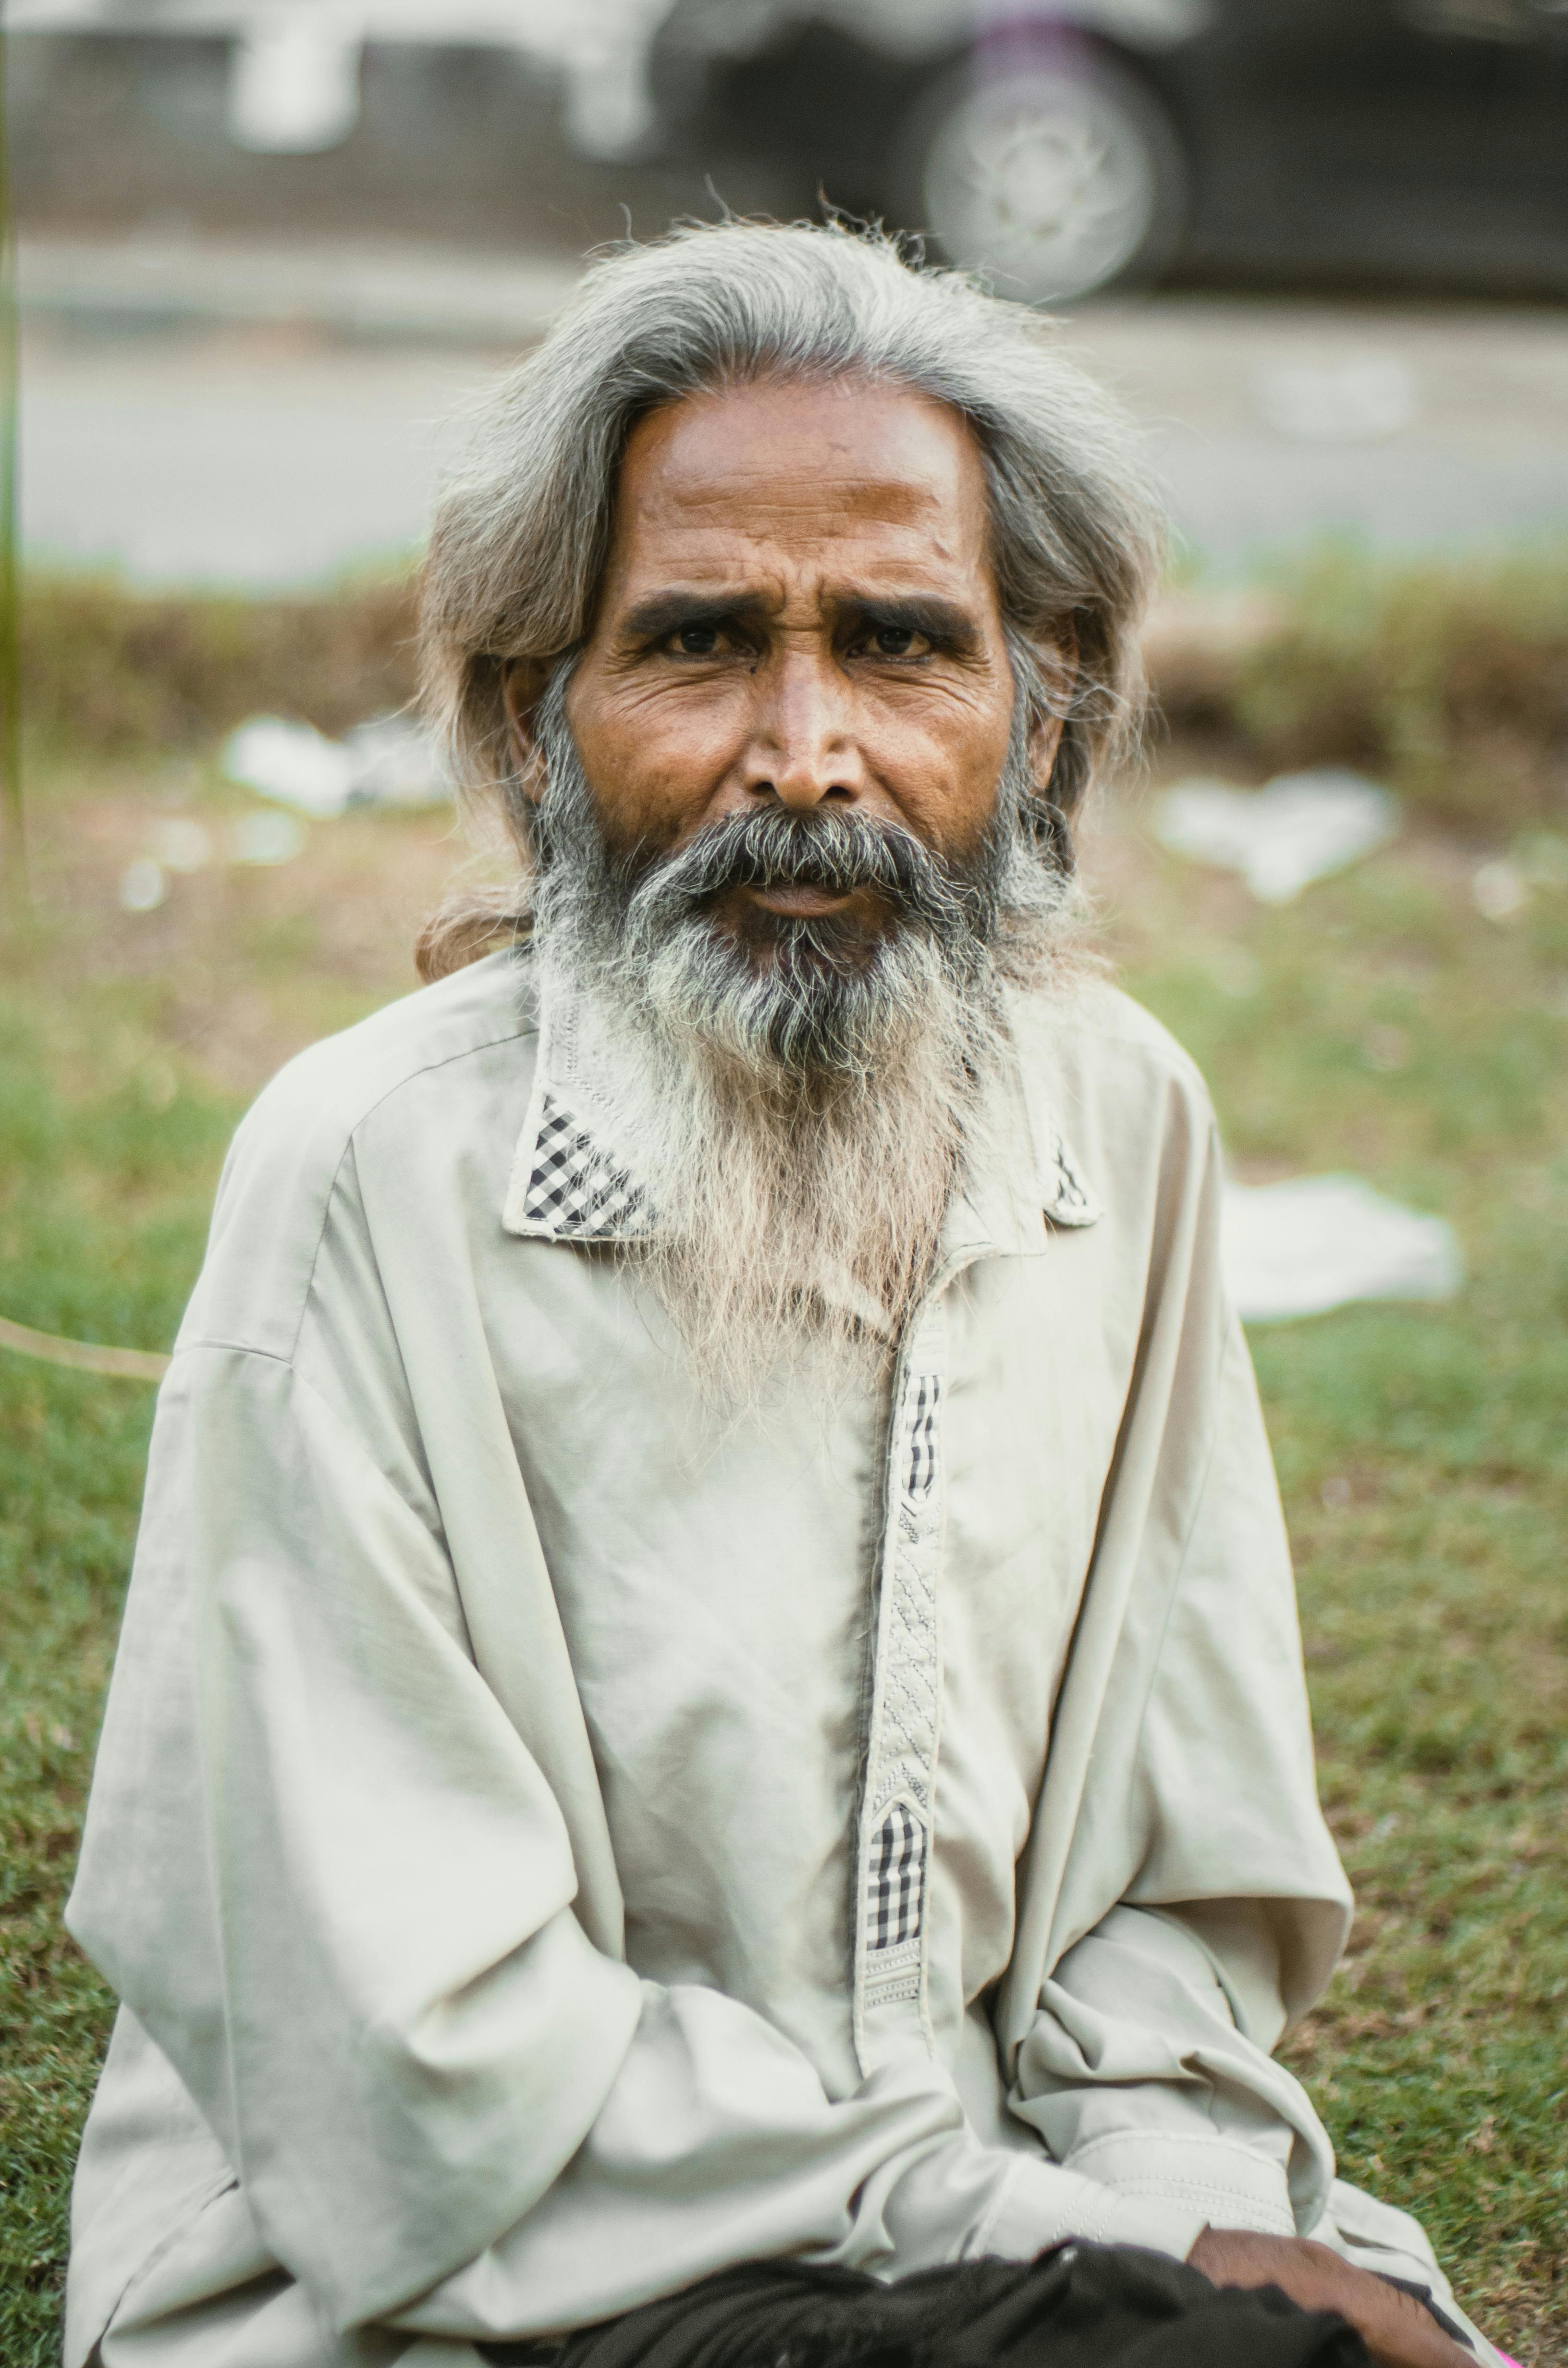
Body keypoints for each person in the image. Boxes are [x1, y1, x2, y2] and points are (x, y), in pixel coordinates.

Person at [63, 222, 1498, 2368]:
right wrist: (1030, 2248)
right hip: (474, 2273)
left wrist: (1170, 2223)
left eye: (905, 644)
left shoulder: (1120, 1119)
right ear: (540, 719)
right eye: (705, 641)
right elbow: (423, 2057)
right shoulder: (367, 1177)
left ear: (1046, 715)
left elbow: (1169, 1907)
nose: (806, 750)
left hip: (1015, 2235)